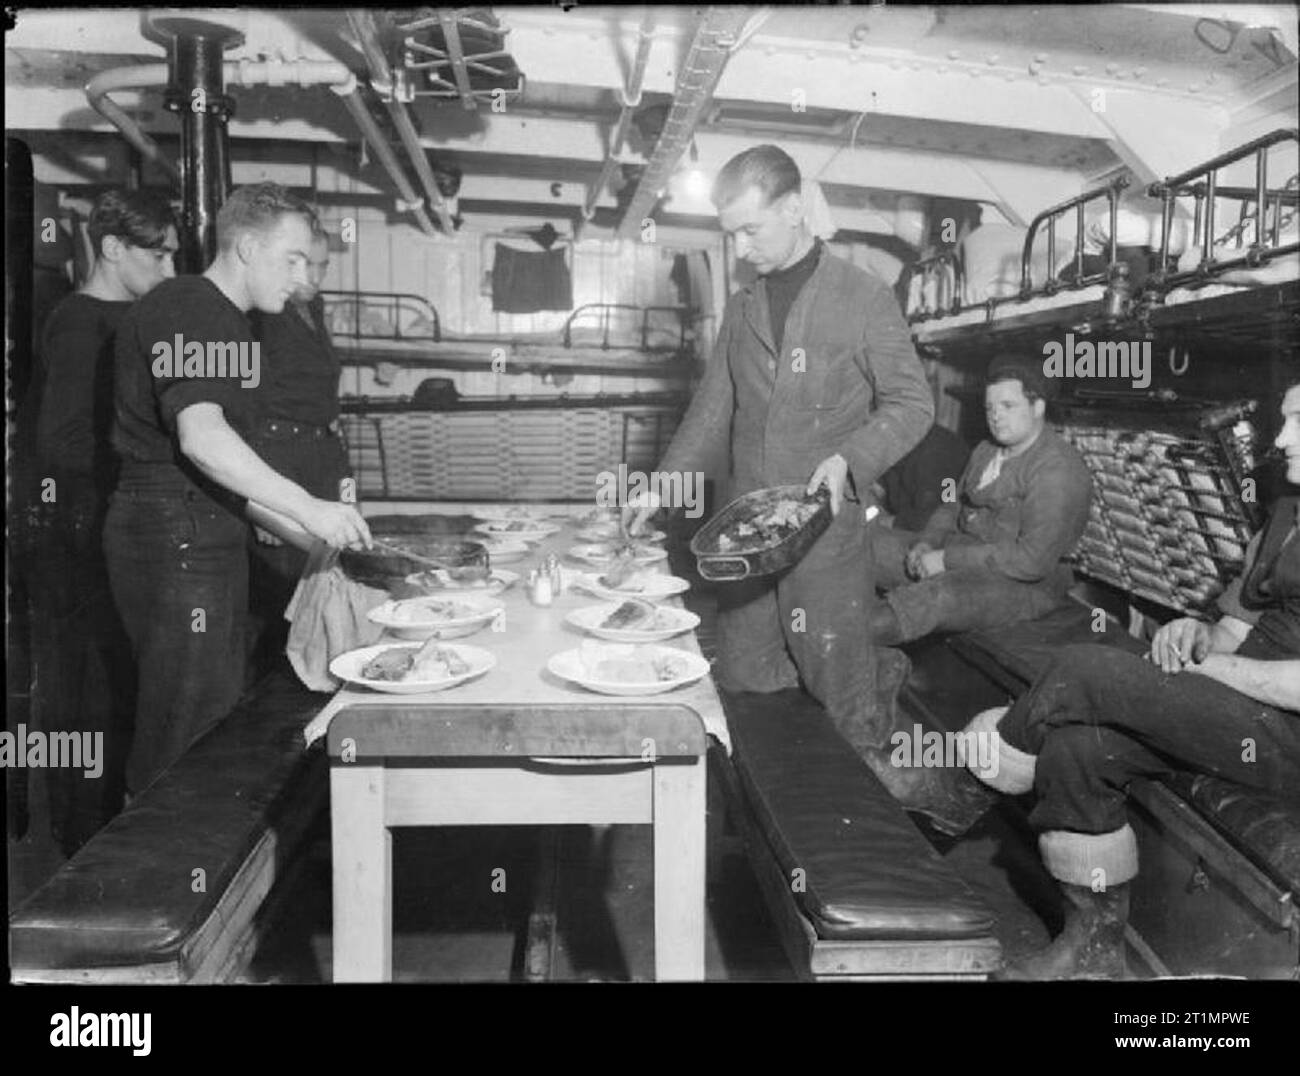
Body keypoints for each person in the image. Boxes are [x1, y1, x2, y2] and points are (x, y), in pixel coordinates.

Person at [916, 382, 1300, 979]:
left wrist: (1211, 667)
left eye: (1298, 421)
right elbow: (1233, 623)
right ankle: (1093, 950)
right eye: (1282, 420)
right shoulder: (1286, 515)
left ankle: (965, 791)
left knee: (1082, 666)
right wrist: (1196, 635)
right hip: (1245, 706)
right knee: (1077, 749)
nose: (1281, 439)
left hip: (1287, 739)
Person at [624, 143, 934, 742]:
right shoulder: (742, 309)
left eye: (750, 231)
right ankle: (785, 799)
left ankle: (865, 783)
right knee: (744, 678)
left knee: (838, 686)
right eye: (730, 234)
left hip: (824, 531)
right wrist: (660, 486)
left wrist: (852, 459)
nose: (740, 250)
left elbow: (913, 403)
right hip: (745, 532)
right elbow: (712, 414)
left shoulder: (863, 297)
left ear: (794, 209)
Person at [105, 181, 372, 796]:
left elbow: (215, 470)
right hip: (176, 541)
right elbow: (201, 441)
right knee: (184, 728)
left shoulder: (224, 319)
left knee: (205, 716)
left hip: (195, 528)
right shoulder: (192, 308)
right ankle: (159, 873)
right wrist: (309, 506)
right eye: (293, 259)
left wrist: (311, 540)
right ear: (248, 247)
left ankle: (179, 862)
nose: (303, 277)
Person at [18, 189, 177, 854]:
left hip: (104, 519)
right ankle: (81, 849)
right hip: (77, 527)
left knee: (117, 685)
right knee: (84, 688)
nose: (169, 270)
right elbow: (62, 443)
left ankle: (102, 833)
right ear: (114, 249)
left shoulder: (125, 316)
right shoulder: (84, 321)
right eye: (158, 253)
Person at [868, 354, 1093, 645]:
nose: (995, 416)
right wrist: (927, 541)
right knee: (865, 544)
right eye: (990, 408)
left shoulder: (1058, 469)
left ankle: (839, 649)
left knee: (933, 597)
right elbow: (952, 503)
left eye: (1007, 406)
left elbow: (1031, 561)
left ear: (1038, 407)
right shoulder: (986, 450)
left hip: (1023, 584)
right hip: (962, 553)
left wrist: (946, 560)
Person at [245, 225, 353, 679]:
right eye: (303, 262)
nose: (314, 274)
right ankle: (276, 706)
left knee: (323, 578)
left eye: (323, 264)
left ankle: (317, 683)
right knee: (280, 594)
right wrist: (264, 500)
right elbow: (246, 400)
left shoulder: (313, 306)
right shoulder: (261, 312)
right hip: (281, 458)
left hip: (321, 456)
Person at [871, 423, 971, 532]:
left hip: (937, 530)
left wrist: (889, 521)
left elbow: (934, 516)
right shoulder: (892, 441)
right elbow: (880, 488)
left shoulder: (940, 452)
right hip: (906, 519)